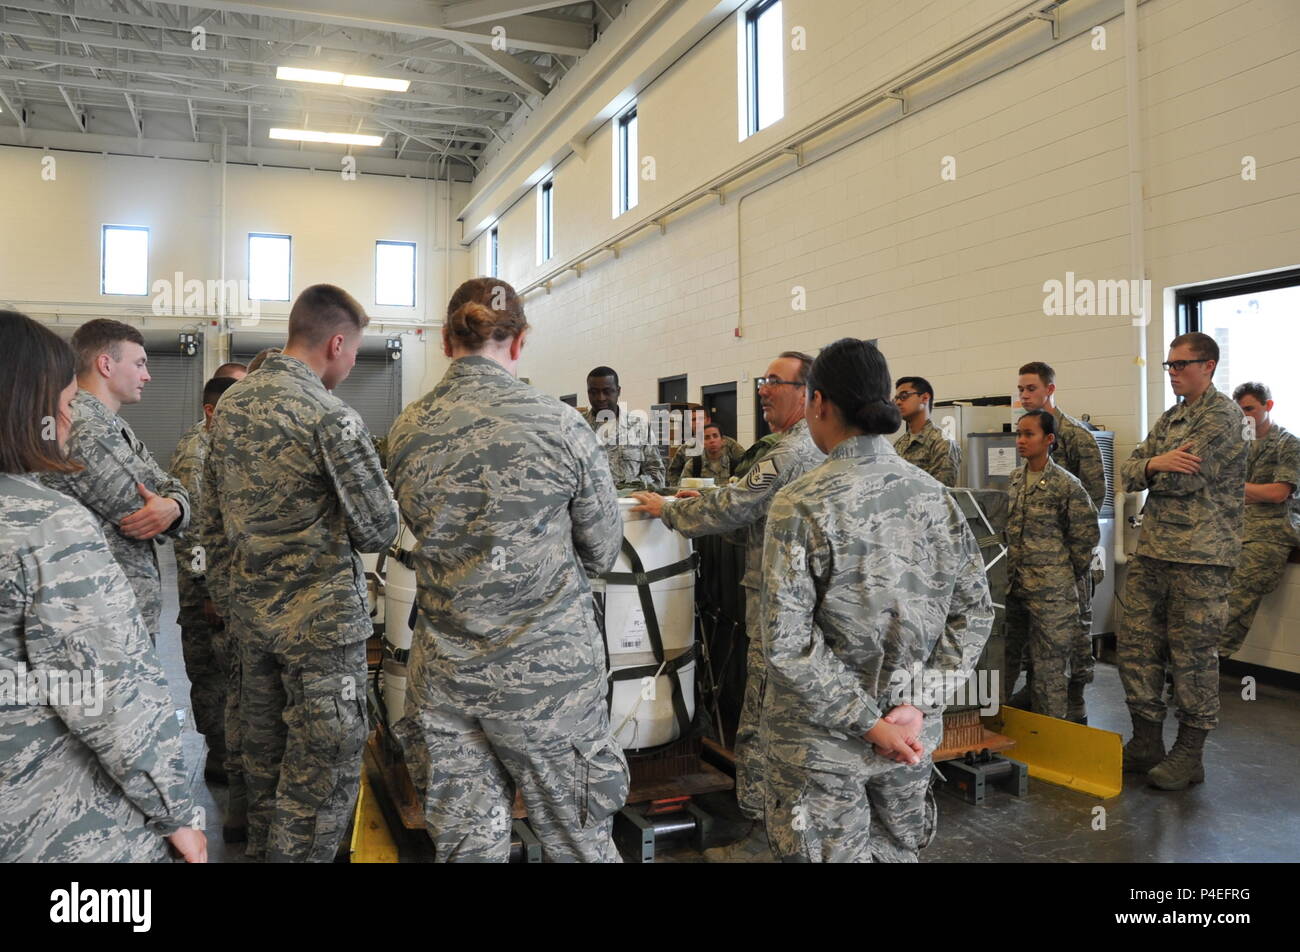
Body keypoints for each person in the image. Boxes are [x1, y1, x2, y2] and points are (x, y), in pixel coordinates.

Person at [388, 278, 627, 862]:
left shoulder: (406, 431)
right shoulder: (562, 425)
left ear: (446, 341)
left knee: (468, 849)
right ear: (519, 342)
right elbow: (601, 549)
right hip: (548, 684)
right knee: (579, 845)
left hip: (446, 679)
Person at [760, 338, 993, 863]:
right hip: (909, 742)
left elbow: (788, 644)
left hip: (824, 748)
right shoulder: (935, 496)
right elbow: (975, 610)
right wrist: (916, 706)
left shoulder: (799, 504)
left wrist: (869, 724)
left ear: (819, 403)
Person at [202, 285, 399, 861]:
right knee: (322, 776)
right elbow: (378, 529)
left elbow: (210, 521)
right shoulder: (330, 417)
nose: (353, 362)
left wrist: (234, 601)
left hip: (252, 626)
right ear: (336, 343)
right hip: (321, 632)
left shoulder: (232, 406)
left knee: (266, 767)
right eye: (355, 351)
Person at [0, 310, 206, 863]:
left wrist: (174, 503)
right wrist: (178, 814)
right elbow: (113, 698)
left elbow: (164, 490)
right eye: (64, 404)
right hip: (40, 812)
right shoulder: (47, 524)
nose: (68, 421)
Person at [631, 351, 825, 822]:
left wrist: (669, 509)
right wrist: (712, 500)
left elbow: (736, 506)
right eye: (763, 380)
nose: (762, 389)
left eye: (774, 381)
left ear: (807, 393)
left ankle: (763, 813)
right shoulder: (804, 447)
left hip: (784, 606)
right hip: (797, 600)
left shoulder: (792, 451)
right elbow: (751, 519)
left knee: (766, 706)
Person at [1118, 332, 1247, 790]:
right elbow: (1129, 473)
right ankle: (1146, 741)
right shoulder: (1172, 418)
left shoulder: (1225, 417)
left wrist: (1154, 466)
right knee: (1135, 646)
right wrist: (1155, 464)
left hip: (1201, 557)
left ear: (1208, 365)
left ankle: (1189, 754)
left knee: (1192, 657)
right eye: (1168, 365)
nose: (1172, 371)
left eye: (1180, 364)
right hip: (1154, 550)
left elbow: (1186, 476)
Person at [40, 319, 191, 643]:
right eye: (139, 364)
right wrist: (174, 508)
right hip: (101, 618)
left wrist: (175, 504)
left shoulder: (112, 425)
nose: (147, 375)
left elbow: (165, 484)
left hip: (115, 611)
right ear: (106, 365)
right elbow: (144, 507)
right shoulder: (84, 428)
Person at [1015, 361, 1106, 721]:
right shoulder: (1026, 433)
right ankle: (1036, 691)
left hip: (1068, 562)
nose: (1024, 395)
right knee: (1037, 638)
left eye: (1031, 389)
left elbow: (1093, 498)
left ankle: (1075, 700)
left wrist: (1068, 562)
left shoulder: (1075, 435)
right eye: (1020, 389)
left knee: (1075, 635)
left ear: (1050, 389)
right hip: (1034, 563)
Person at [170, 377, 240, 787]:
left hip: (218, 587)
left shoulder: (222, 443)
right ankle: (219, 754)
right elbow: (194, 534)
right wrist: (211, 593)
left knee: (226, 675)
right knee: (211, 675)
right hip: (205, 595)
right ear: (212, 409)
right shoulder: (198, 452)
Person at [1222, 382, 1300, 657]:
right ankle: (1197, 666)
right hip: (1232, 527)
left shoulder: (1287, 444)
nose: (1244, 416)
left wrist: (1237, 488)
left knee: (1235, 598)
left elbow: (1278, 493)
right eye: (1239, 410)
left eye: (1250, 409)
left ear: (1268, 406)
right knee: (1205, 596)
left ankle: (1202, 667)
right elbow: (1216, 489)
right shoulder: (1234, 444)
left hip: (1271, 530)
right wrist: (1254, 492)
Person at [583, 365, 666, 488]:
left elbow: (656, 473)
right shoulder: (576, 427)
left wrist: (632, 490)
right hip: (588, 505)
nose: (600, 398)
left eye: (607, 391)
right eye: (594, 392)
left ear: (618, 391)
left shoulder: (639, 427)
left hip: (630, 504)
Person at [892, 376, 961, 486]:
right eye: (896, 399)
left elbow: (942, 492)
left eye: (904, 396)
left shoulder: (943, 442)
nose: (898, 402)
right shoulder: (899, 444)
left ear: (924, 398)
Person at [667, 408, 745, 485]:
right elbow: (673, 471)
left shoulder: (729, 443)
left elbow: (746, 463)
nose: (697, 422)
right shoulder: (686, 448)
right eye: (694, 420)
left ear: (708, 420)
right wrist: (677, 487)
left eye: (700, 419)